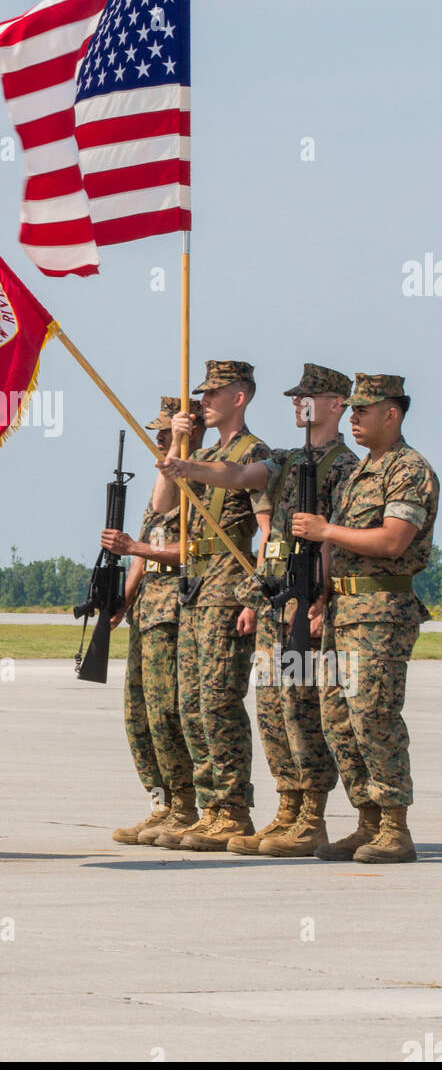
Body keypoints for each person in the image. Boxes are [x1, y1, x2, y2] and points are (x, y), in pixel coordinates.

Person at [160, 363, 357, 857]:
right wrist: (187, 466)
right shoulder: (287, 459)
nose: (298, 404)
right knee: (272, 710)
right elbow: (240, 474)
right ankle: (287, 810)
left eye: (309, 398)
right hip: (275, 595)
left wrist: (320, 598)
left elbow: (335, 540)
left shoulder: (344, 466)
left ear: (337, 405)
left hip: (307, 600)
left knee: (302, 709)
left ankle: (311, 816)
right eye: (294, 398)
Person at [291, 374, 438, 864]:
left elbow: (393, 540)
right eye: (350, 411)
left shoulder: (409, 470)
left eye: (362, 411)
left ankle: (395, 825)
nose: (352, 419)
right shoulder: (360, 472)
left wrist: (325, 528)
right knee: (338, 720)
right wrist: (321, 594)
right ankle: (367, 821)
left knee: (373, 714)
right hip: (343, 611)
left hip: (381, 614)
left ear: (391, 414)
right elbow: (335, 544)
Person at [151, 361, 271, 851]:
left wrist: (254, 595)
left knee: (220, 699)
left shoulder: (252, 450)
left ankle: (232, 809)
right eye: (201, 393)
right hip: (197, 584)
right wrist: (180, 448)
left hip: (229, 583)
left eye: (213, 393)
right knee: (191, 702)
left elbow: (247, 489)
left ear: (238, 397)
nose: (203, 400)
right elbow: (162, 505)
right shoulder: (203, 451)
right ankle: (209, 808)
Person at [102, 398, 205, 845]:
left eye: (169, 432)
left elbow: (194, 550)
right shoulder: (162, 488)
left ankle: (184, 805)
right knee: (139, 713)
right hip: (148, 609)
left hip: (178, 609)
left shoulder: (203, 479)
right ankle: (160, 802)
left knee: (168, 713)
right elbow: (146, 542)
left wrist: (135, 550)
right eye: (160, 433)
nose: (160, 440)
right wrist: (122, 601)